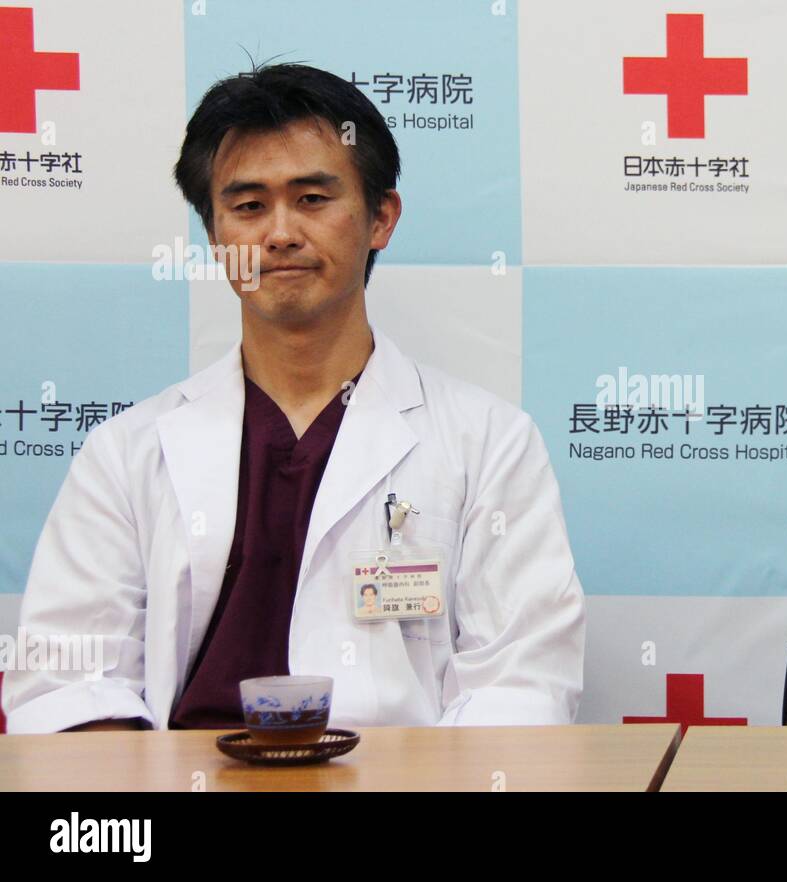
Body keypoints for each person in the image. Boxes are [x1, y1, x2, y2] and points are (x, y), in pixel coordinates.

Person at [2, 64, 585, 733]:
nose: (279, 234)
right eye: (248, 207)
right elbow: (68, 681)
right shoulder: (127, 454)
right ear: (216, 236)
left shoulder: (488, 444)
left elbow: (522, 684)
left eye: (312, 199)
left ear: (381, 218)